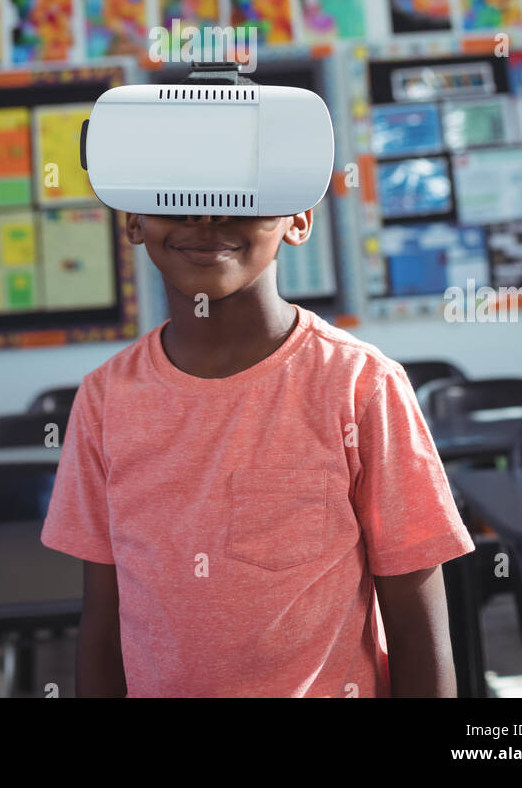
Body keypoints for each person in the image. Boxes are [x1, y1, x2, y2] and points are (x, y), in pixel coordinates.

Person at [41, 209, 475, 697]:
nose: (205, 219)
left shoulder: (362, 386)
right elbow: (102, 619)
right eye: (174, 197)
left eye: (241, 199)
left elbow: (416, 621)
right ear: (134, 222)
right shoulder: (105, 400)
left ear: (299, 221)